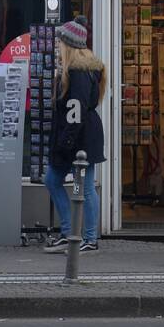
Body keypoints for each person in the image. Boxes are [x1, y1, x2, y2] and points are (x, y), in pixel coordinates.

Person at [41, 16, 106, 254]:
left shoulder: (77, 71)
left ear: (68, 44)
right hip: (82, 136)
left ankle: (87, 238)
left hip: (78, 140)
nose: (57, 44)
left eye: (59, 41)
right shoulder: (82, 69)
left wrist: (65, 142)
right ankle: (72, 234)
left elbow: (75, 109)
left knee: (83, 188)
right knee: (59, 182)